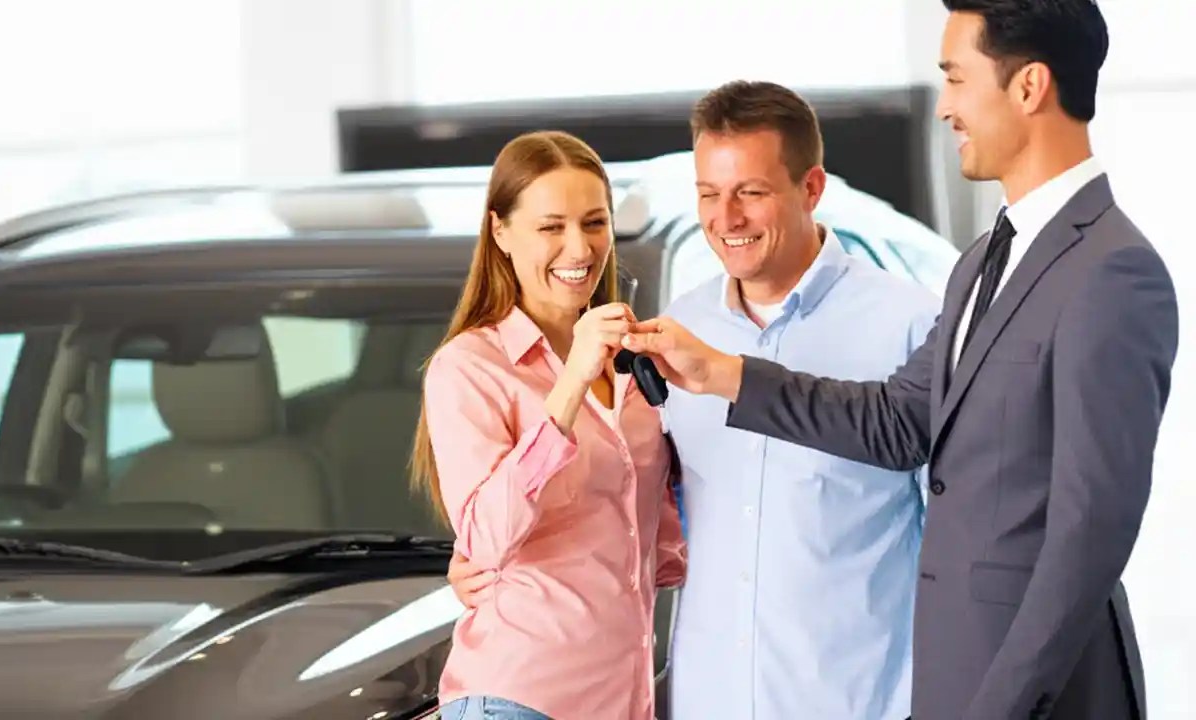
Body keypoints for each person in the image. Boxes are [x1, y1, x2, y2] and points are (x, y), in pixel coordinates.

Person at [621, 2, 1179, 719]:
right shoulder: (984, 262)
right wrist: (723, 373)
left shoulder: (1113, 270)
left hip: (1035, 699)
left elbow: (1088, 538)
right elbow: (897, 421)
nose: (945, 107)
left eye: (956, 78)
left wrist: (996, 706)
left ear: (1029, 86)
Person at [451, 80, 942, 719]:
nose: (726, 218)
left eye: (751, 193)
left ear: (812, 189)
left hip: (857, 704)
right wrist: (490, 569)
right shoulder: (677, 333)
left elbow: (959, 543)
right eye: (709, 194)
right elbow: (634, 505)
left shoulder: (911, 327)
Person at [411, 129, 686, 720]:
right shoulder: (469, 368)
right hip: (518, 700)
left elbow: (661, 546)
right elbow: (484, 539)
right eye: (550, 227)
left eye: (594, 222)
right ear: (500, 232)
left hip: (624, 700)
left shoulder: (637, 367)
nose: (579, 248)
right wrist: (569, 386)